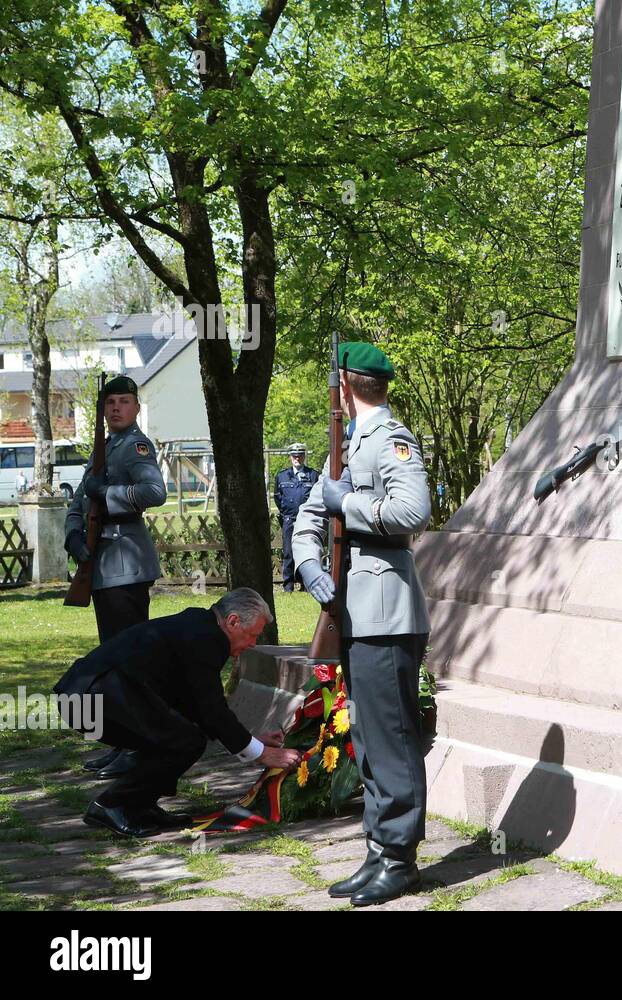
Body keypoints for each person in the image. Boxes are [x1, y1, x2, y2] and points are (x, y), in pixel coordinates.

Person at [292, 341, 432, 907]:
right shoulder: (345, 443)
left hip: (386, 615)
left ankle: (400, 858)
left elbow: (413, 510)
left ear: (345, 388)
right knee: (369, 739)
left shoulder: (391, 439)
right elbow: (306, 518)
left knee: (392, 740)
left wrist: (347, 503)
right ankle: (378, 849)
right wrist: (309, 568)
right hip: (352, 611)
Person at [53, 589, 303, 838]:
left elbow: (199, 707)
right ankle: (111, 804)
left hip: (82, 696)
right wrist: (263, 754)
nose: (252, 644)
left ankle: (140, 806)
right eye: (252, 635)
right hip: (95, 697)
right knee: (184, 742)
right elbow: (212, 710)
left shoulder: (199, 627)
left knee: (178, 737)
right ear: (233, 621)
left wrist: (251, 740)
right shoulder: (207, 638)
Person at [63, 374, 167, 780]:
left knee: (130, 663)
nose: (117, 408)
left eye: (124, 401)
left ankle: (140, 746)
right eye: (111, 403)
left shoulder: (138, 446)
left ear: (136, 408)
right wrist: (73, 532)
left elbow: (154, 492)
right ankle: (125, 742)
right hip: (104, 568)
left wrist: (106, 495)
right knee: (114, 661)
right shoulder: (105, 447)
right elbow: (80, 498)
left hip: (126, 566)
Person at [273, 444, 320, 593]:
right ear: (290, 457)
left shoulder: (313, 475)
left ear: (304, 456)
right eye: (294, 456)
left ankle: (305, 585)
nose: (297, 458)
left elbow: (317, 496)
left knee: (307, 552)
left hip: (307, 520)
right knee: (288, 553)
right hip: (289, 520)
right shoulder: (282, 476)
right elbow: (277, 497)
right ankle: (288, 587)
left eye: (300, 455)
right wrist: (286, 512)